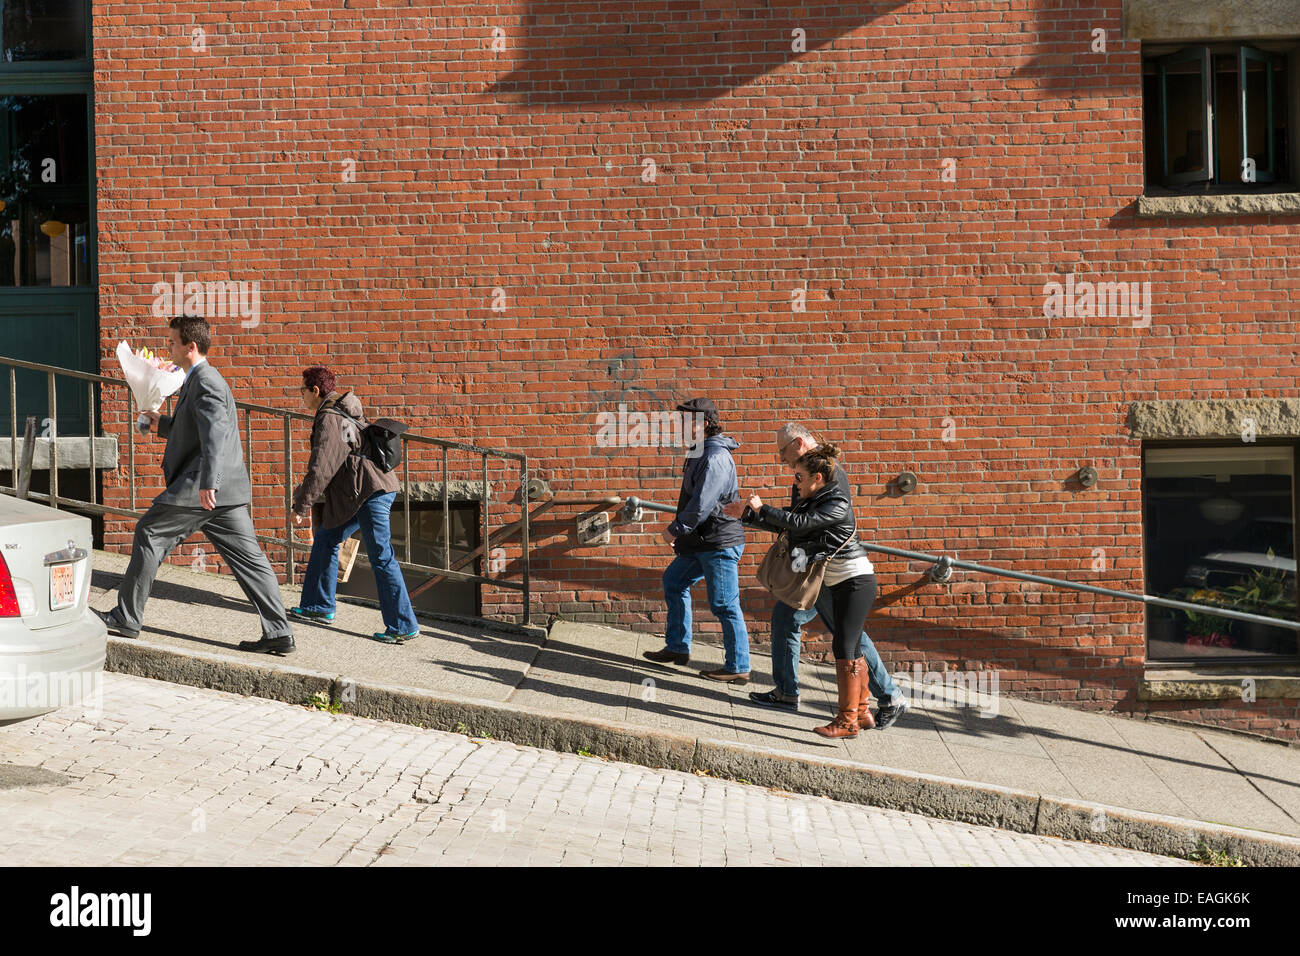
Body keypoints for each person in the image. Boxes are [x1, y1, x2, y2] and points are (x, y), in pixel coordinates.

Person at [95, 316, 295, 654]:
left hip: (203, 488)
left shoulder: (207, 382)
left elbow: (216, 436)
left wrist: (209, 483)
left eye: (172, 342)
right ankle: (279, 632)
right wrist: (161, 423)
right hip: (225, 493)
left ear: (190, 346)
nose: (168, 348)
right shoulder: (200, 379)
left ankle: (126, 618)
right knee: (251, 561)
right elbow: (196, 432)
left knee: (149, 532)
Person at [727, 424, 909, 729]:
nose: (781, 459)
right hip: (820, 567)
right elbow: (795, 524)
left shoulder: (828, 473)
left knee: (846, 638)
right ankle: (790, 693)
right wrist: (749, 515)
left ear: (798, 443)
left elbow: (804, 522)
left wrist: (761, 511)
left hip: (834, 570)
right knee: (796, 620)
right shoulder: (806, 473)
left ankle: (881, 700)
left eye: (782, 451)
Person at [289, 366, 420, 644]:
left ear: (315, 390)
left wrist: (301, 505)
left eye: (302, 391)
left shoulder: (329, 417)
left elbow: (321, 467)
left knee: (380, 556)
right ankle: (318, 606)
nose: (301, 397)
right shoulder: (343, 409)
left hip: (368, 492)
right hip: (361, 492)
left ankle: (402, 625)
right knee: (326, 539)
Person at [643, 398, 751, 682]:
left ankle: (738, 667)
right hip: (701, 540)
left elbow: (702, 504)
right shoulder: (700, 450)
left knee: (725, 604)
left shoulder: (715, 456)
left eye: (685, 421)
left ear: (703, 424)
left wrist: (675, 529)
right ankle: (678, 647)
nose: (679, 426)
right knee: (674, 582)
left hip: (718, 542)